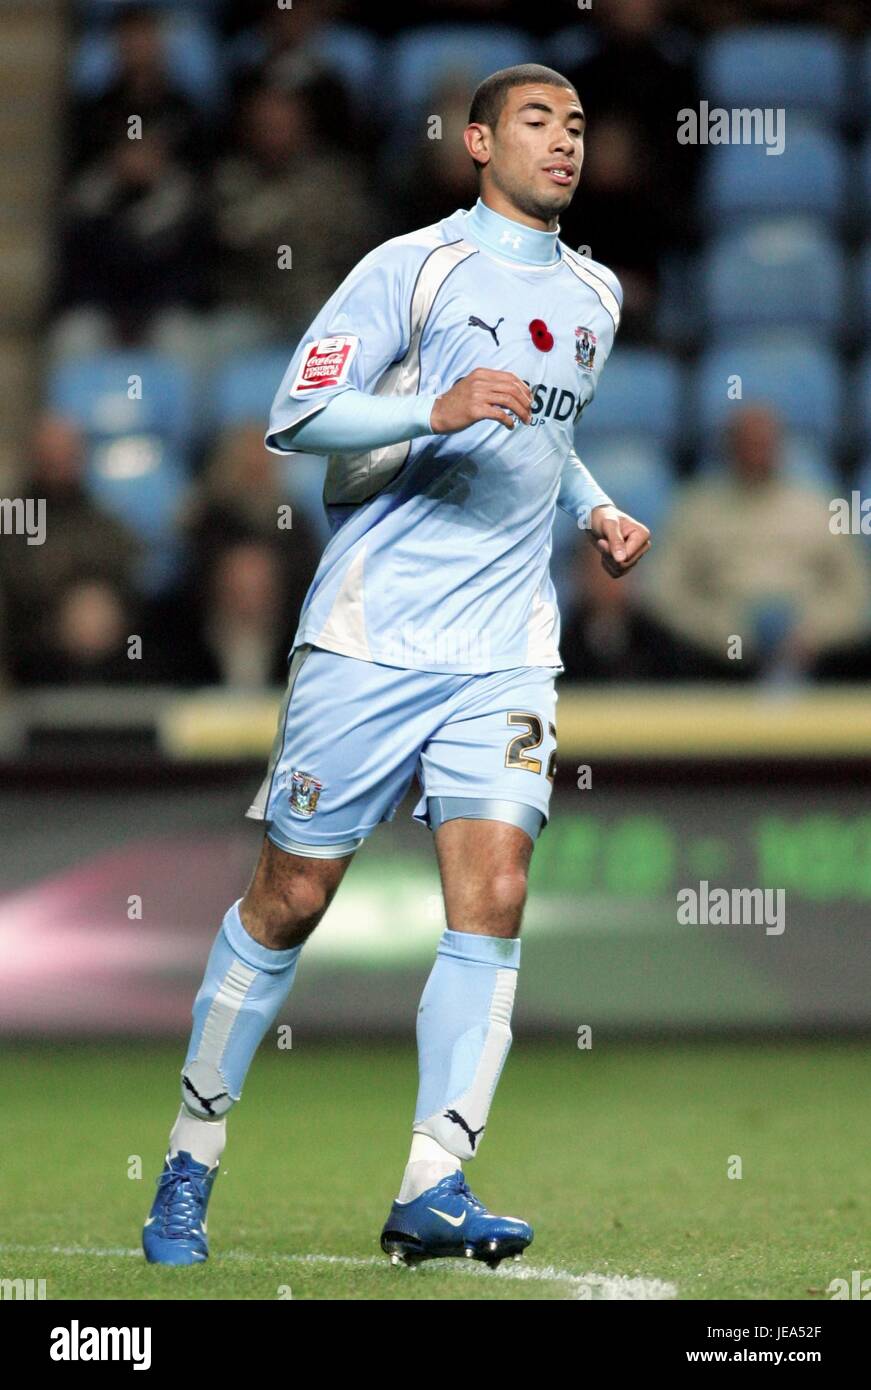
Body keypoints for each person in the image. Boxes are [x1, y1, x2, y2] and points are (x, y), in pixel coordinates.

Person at [143, 64, 650, 1270]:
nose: (563, 142)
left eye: (576, 125)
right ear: (478, 141)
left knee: (496, 895)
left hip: (508, 647)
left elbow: (545, 431)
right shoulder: (407, 266)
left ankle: (436, 1178)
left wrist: (596, 507)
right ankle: (188, 1158)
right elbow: (295, 416)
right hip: (373, 637)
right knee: (291, 901)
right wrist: (429, 408)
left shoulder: (596, 292)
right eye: (536, 121)